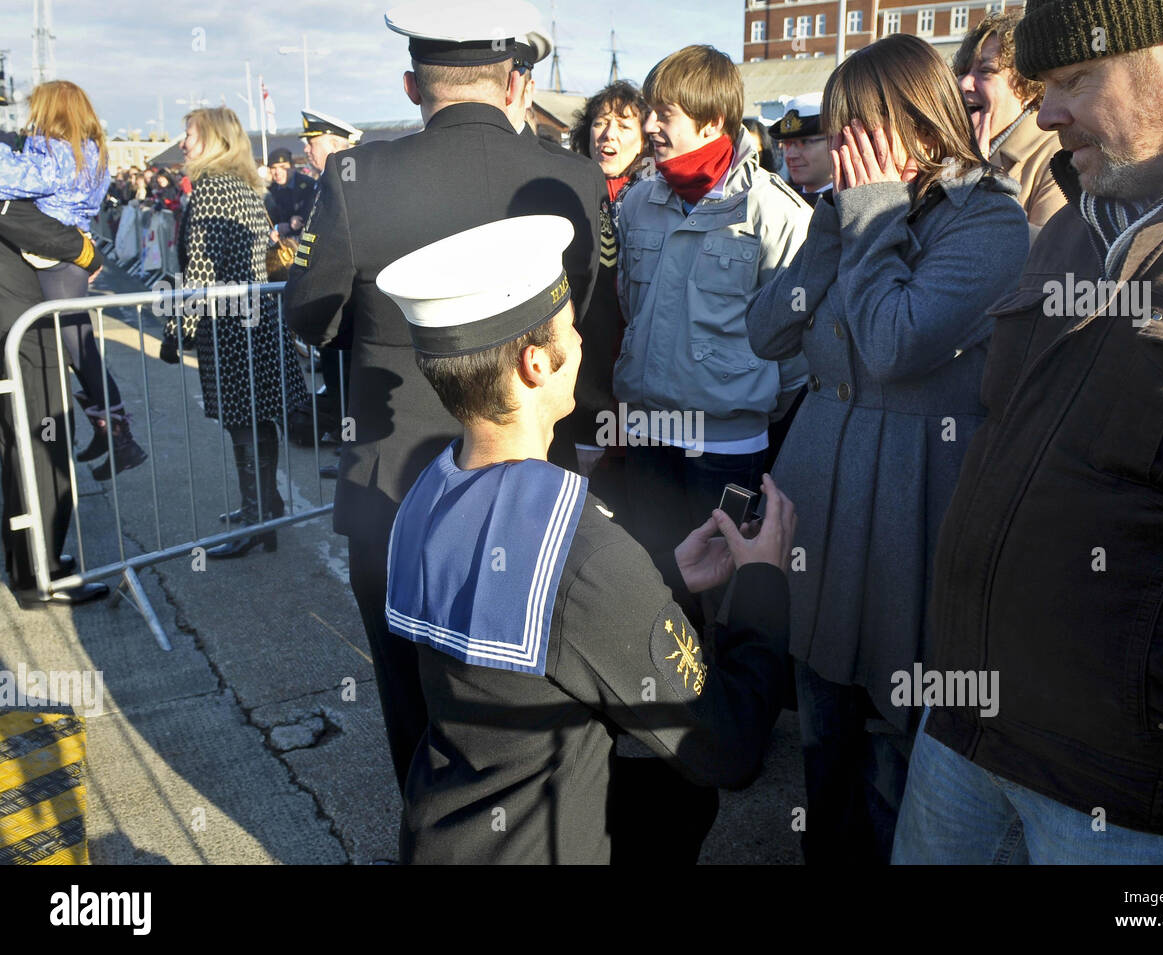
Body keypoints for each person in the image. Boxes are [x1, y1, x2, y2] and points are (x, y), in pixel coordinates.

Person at [893, 0, 1163, 865]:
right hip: (962, 734)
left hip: (1147, 809)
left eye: (1076, 78)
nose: (1043, 112)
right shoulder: (1079, 216)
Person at [378, 214, 797, 864]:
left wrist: (664, 574)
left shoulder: (427, 494)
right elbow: (726, 743)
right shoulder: (576, 547)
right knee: (688, 791)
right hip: (536, 846)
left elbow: (530, 621)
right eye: (570, 327)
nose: (581, 339)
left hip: (446, 826)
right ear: (536, 363)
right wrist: (764, 586)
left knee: (672, 803)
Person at [284, 0, 602, 795]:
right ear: (517, 82)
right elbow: (582, 319)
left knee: (411, 705)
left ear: (410, 84)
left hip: (392, 489)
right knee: (530, 694)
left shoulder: (357, 178)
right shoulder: (574, 177)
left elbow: (308, 315)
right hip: (529, 484)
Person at [746, 34, 1030, 866]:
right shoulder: (849, 210)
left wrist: (866, 218)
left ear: (918, 123)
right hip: (825, 497)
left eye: (854, 129)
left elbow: (896, 342)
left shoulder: (989, 217)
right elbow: (767, 330)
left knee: (905, 735)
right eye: (835, 131)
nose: (839, 151)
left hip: (914, 502)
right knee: (823, 718)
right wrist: (838, 225)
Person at [614, 44, 810, 568]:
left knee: (722, 590)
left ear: (711, 122)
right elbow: (630, 306)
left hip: (728, 445)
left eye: (665, 113)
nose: (649, 125)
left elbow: (795, 348)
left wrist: (749, 399)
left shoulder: (775, 212)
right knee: (648, 582)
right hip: (644, 432)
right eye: (648, 109)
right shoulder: (638, 202)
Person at [161, 107, 312, 558]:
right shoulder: (245, 187)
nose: (183, 142)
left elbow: (201, 273)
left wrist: (176, 332)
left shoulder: (210, 189)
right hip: (256, 320)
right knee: (257, 420)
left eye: (189, 134)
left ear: (214, 140)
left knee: (243, 423)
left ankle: (257, 517)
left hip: (229, 327)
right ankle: (264, 509)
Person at [0, 80, 147, 482]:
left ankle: (121, 439)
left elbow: (19, 180)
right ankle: (108, 431)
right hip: (70, 255)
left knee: (77, 349)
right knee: (75, 349)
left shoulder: (57, 151)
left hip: (55, 259)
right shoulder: (87, 149)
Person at [0, 199, 108, 606]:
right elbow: (36, 228)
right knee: (41, 454)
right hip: (24, 334)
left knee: (18, 454)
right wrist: (87, 251)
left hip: (16, 331)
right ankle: (39, 575)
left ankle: (29, 564)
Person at [562, 79, 652, 515]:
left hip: (645, 397)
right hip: (585, 389)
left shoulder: (657, 202)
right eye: (600, 123)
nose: (608, 134)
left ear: (644, 139)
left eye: (623, 125)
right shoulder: (570, 195)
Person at [954, 8, 1068, 239]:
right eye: (962, 71)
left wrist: (980, 187)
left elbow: (1049, 255)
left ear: (1027, 87)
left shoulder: (1057, 158)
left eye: (986, 71)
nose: (964, 83)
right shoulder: (950, 150)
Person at [296, 109, 363, 479]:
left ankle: (353, 457)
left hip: (348, 310)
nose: (306, 149)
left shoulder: (349, 181)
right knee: (339, 386)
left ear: (337, 144)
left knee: (351, 388)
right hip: (332, 310)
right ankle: (346, 449)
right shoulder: (327, 181)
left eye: (313, 142)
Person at [768, 93, 833, 204]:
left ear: (835, 141)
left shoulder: (851, 202)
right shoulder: (778, 201)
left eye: (804, 142)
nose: (791, 155)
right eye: (786, 143)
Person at [263, 147, 314, 242]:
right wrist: (275, 229)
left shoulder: (309, 185)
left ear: (292, 167)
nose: (278, 172)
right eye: (273, 168)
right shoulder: (270, 191)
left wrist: (296, 223)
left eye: (283, 167)